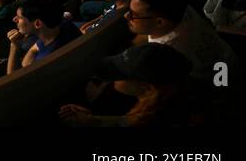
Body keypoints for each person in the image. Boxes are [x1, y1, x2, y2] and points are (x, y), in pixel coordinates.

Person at [58, 43, 194, 127]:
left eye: (118, 75)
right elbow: (125, 122)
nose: (111, 81)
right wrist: (92, 121)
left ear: (147, 89)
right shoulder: (167, 98)